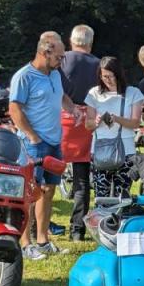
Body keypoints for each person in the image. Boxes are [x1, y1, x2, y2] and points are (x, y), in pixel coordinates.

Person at [8, 31, 83, 260]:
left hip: (53, 142)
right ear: (45, 52)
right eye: (59, 57)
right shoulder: (24, 77)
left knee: (48, 191)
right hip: (34, 144)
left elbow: (61, 97)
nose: (61, 62)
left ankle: (43, 240)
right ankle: (25, 242)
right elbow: (15, 110)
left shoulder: (55, 75)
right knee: (31, 193)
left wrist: (73, 109)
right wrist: (32, 137)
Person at [60, 25, 101, 241]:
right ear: (90, 42)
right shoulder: (97, 64)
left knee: (47, 174)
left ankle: (39, 226)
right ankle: (77, 230)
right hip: (87, 120)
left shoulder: (63, 59)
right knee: (82, 179)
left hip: (63, 118)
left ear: (71, 40)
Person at [84, 56, 144, 199]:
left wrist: (117, 119)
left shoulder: (133, 93)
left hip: (126, 149)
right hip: (100, 149)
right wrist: (97, 120)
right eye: (104, 76)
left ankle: (120, 220)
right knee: (101, 195)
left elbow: (136, 123)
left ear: (118, 74)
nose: (107, 80)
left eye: (111, 76)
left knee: (122, 196)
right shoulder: (94, 93)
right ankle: (103, 220)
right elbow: (88, 125)